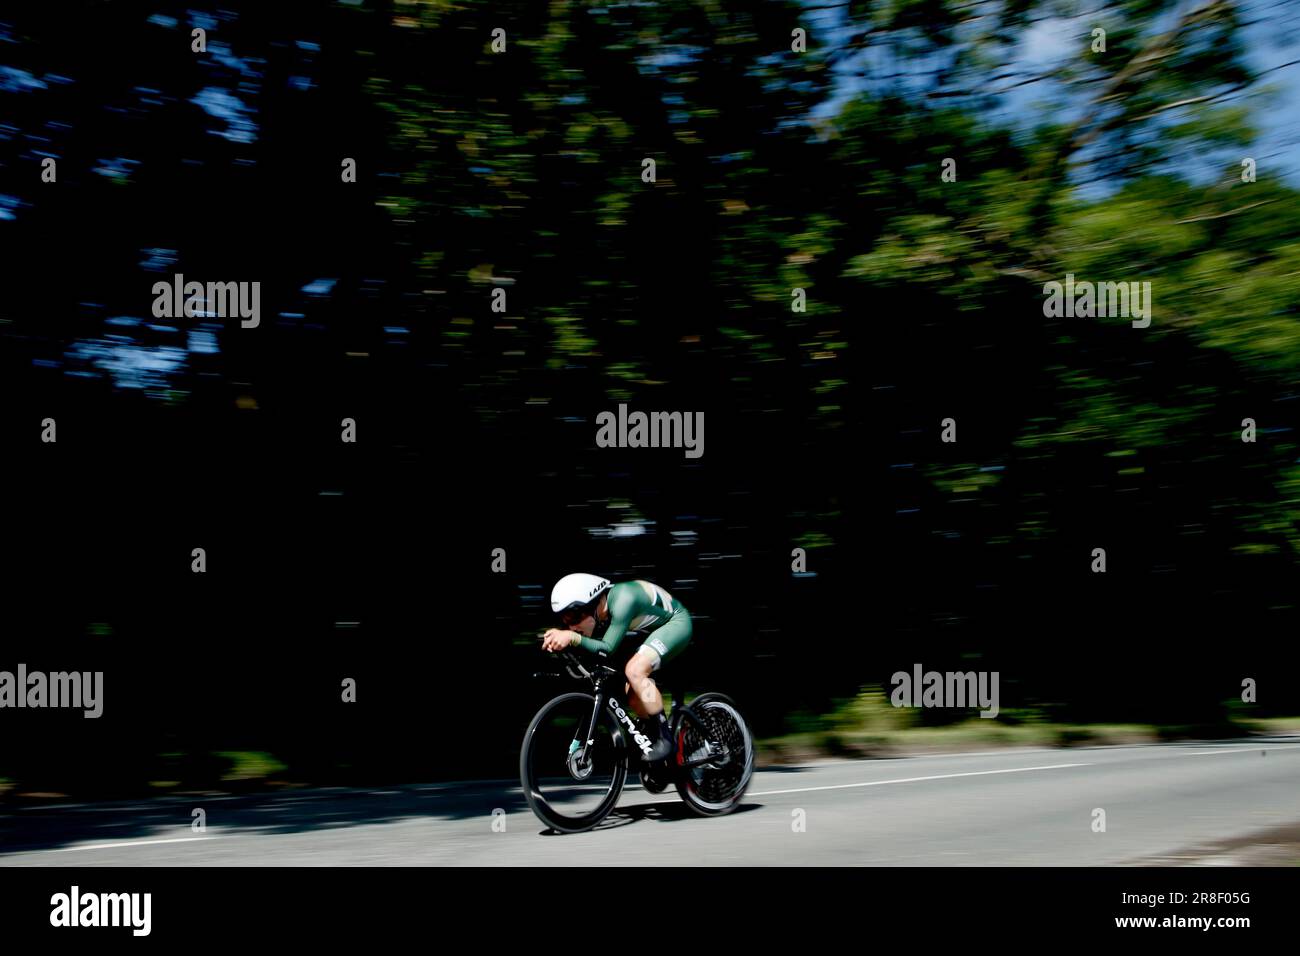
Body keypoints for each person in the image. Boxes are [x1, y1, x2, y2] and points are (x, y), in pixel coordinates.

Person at [542, 572, 692, 763]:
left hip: (676, 624)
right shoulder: (602, 614)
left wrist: (572, 638)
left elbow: (607, 649)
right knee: (632, 695)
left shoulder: (623, 600)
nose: (571, 627)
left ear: (592, 604)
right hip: (650, 632)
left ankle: (666, 740)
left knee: (635, 670)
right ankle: (655, 742)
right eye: (566, 620)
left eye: (574, 617)